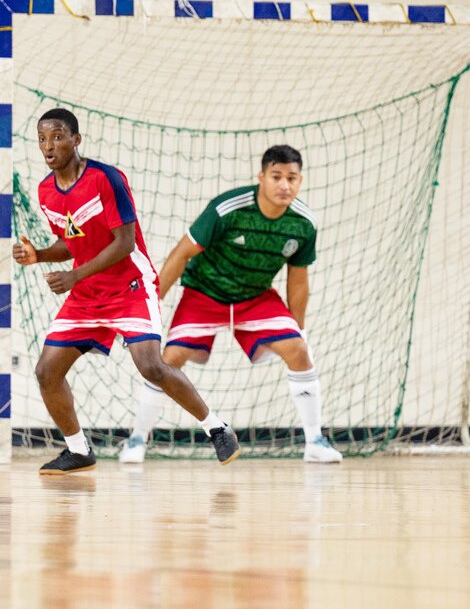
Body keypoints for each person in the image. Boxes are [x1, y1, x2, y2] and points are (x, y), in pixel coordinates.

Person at [12, 108, 240, 474]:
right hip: (87, 295)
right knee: (46, 371)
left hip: (129, 286)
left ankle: (216, 427)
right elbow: (70, 243)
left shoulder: (106, 179)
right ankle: (78, 449)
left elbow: (125, 243)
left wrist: (72, 276)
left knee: (150, 365)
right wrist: (38, 255)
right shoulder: (45, 192)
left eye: (57, 137)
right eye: (41, 138)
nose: (48, 146)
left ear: (76, 140)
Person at [118, 144, 343, 464]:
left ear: (300, 180)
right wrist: (147, 313)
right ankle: (137, 440)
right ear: (261, 177)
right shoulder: (227, 209)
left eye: (292, 178)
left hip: (255, 297)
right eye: (276, 176)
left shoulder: (303, 223)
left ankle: (315, 442)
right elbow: (180, 255)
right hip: (204, 294)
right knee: (169, 358)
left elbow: (298, 280)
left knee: (298, 350)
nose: (284, 185)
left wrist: (299, 326)